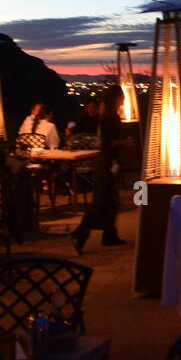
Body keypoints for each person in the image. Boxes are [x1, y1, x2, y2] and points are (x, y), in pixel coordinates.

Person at [71, 90, 128, 254]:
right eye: (121, 96)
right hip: (106, 164)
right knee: (102, 201)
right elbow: (106, 143)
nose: (124, 99)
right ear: (115, 99)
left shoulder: (109, 117)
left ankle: (109, 235)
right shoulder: (109, 118)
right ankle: (80, 233)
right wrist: (124, 142)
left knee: (110, 200)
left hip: (108, 163)